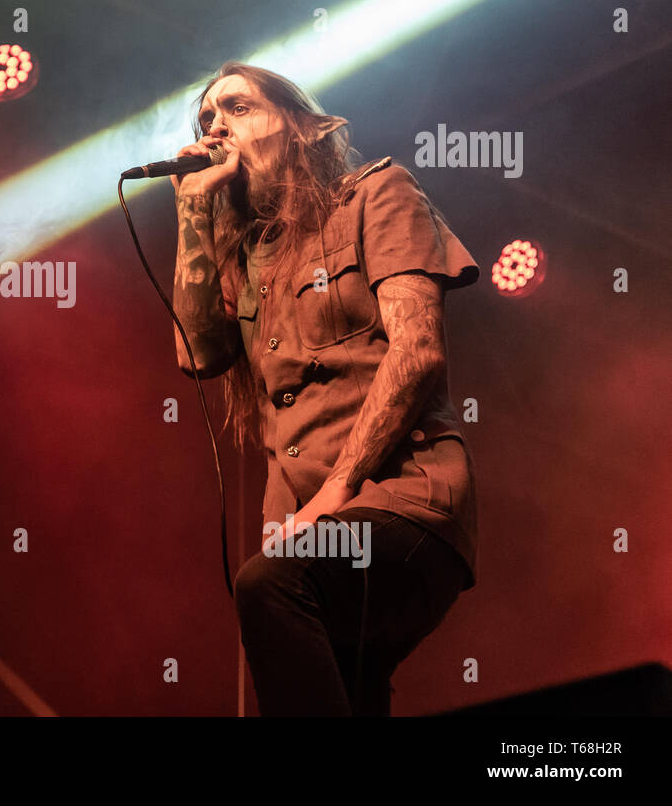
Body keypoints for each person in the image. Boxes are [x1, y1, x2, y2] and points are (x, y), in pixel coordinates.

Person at [170, 62, 478, 716]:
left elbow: (418, 351)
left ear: (304, 129)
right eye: (206, 118)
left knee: (269, 585)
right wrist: (192, 211)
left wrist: (337, 492)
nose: (216, 125)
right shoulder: (243, 259)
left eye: (239, 107)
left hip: (401, 499)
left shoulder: (376, 194)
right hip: (303, 524)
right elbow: (195, 355)